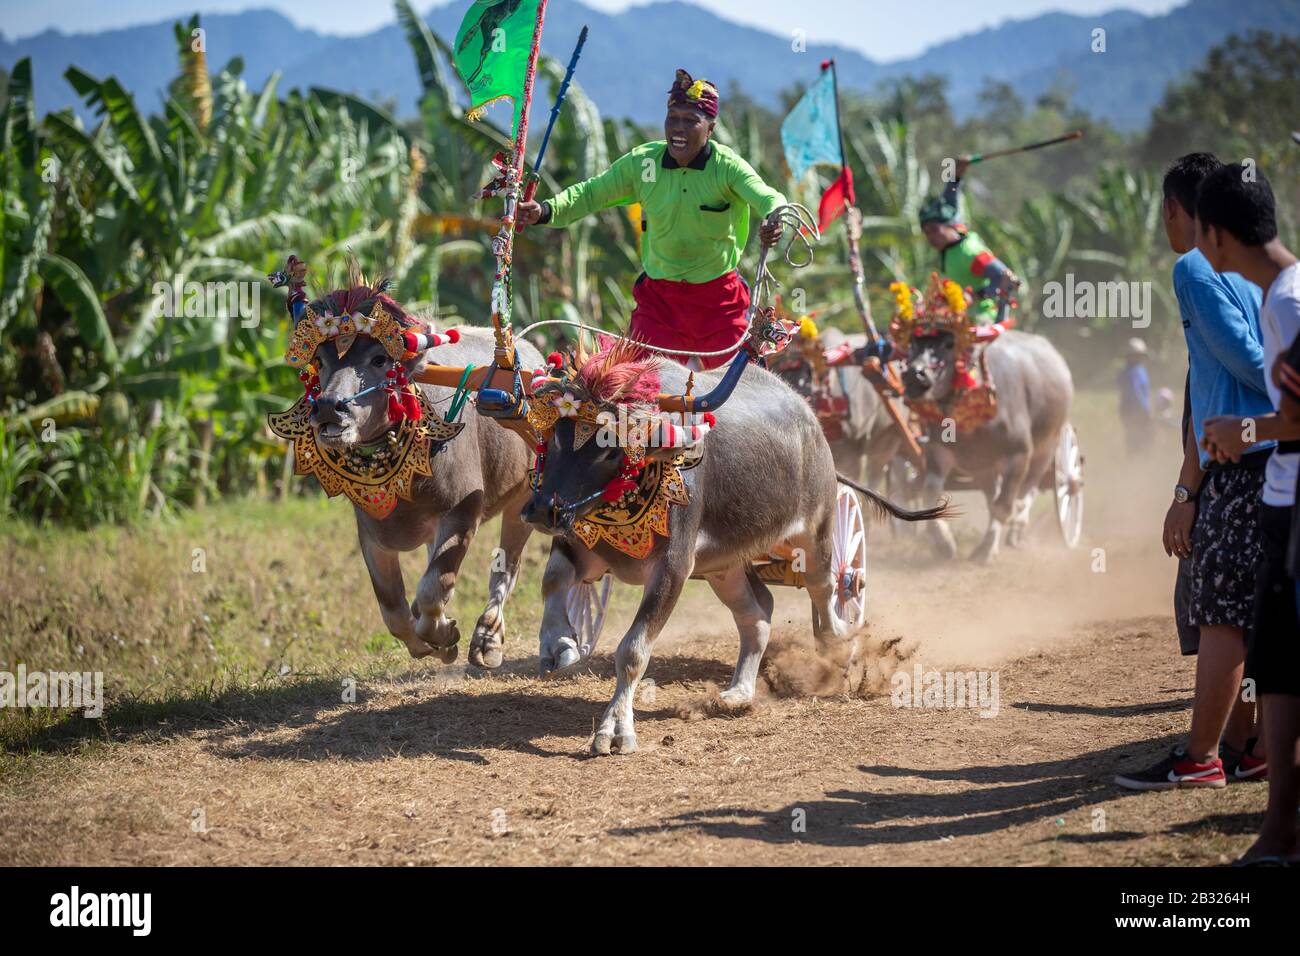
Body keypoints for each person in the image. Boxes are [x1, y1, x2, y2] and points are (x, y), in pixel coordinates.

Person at [1115, 153, 1272, 791]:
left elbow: (1251, 367)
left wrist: (1201, 478)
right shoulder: (1261, 272)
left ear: (1179, 211)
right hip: (1257, 461)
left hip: (1242, 463)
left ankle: (1201, 757)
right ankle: (1245, 745)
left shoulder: (1192, 268)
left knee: (1220, 616)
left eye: (1164, 212)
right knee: (1249, 612)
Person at [517, 69, 786, 370]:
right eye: (673, 118)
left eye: (690, 120)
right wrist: (545, 211)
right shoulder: (643, 163)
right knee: (637, 389)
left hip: (719, 303)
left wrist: (773, 219)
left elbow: (769, 197)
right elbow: (592, 193)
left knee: (743, 387)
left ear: (710, 128)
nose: (678, 128)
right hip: (659, 304)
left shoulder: (728, 168)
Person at [1196, 166, 1300, 863]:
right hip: (1282, 503)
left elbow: (1296, 416)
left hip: (1294, 507)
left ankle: (1278, 833)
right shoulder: (1281, 295)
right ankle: (1276, 830)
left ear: (1216, 234)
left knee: (1288, 666)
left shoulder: (1288, 304)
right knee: (1283, 667)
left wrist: (1245, 434)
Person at [917, 157, 1019, 324]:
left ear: (951, 225)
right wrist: (954, 176)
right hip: (959, 317)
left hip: (981, 318)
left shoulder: (969, 253)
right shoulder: (949, 247)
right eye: (926, 233)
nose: (930, 238)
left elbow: (1006, 279)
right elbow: (950, 199)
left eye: (934, 230)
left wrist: (975, 295)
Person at [1117, 337, 1152, 453]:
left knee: (1135, 439)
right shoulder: (1133, 372)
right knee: (1138, 439)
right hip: (1136, 412)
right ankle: (1138, 460)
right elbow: (1136, 394)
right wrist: (1145, 410)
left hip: (1130, 411)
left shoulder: (1138, 370)